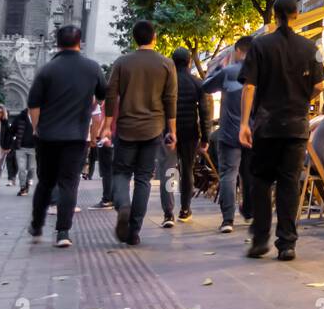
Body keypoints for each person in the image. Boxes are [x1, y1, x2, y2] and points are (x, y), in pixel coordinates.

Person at [238, 0, 324, 260]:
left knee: (262, 182)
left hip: (265, 126)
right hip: (296, 127)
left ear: (275, 15)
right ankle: (287, 244)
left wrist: (244, 123)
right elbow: (320, 85)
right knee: (289, 184)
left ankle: (260, 239)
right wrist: (301, 100)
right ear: (297, 14)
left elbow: (250, 86)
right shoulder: (309, 47)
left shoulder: (260, 45)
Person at [27, 24, 107, 248]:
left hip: (48, 136)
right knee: (69, 184)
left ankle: (37, 225)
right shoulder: (92, 68)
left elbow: (33, 104)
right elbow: (102, 95)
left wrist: (36, 128)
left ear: (58, 43)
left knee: (45, 182)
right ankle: (63, 232)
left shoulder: (46, 70)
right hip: (76, 137)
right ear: (79, 42)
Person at [105, 20, 177, 245]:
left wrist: (107, 125)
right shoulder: (166, 64)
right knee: (144, 179)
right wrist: (172, 130)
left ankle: (123, 206)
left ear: (134, 38)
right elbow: (170, 99)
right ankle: (134, 230)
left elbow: (110, 94)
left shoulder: (122, 62)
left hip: (126, 127)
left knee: (121, 174)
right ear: (154, 37)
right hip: (153, 128)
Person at [201, 36, 251, 234]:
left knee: (228, 176)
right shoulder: (260, 74)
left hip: (229, 133)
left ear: (238, 51)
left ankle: (228, 219)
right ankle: (248, 211)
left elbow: (206, 86)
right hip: (252, 133)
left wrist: (219, 67)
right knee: (249, 175)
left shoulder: (229, 71)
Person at [169, 47, 210, 224]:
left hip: (169, 132)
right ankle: (185, 209)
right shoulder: (197, 83)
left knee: (169, 169)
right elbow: (204, 112)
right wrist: (206, 137)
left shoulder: (167, 82)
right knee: (187, 170)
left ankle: (168, 211)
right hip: (190, 132)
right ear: (189, 62)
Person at [89, 99, 115, 208]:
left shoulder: (107, 103)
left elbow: (101, 119)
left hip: (106, 139)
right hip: (118, 138)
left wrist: (96, 137)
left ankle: (107, 199)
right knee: (114, 170)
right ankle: (115, 198)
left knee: (107, 171)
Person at [9, 107, 36, 196]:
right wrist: (12, 141)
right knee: (21, 168)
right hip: (20, 148)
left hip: (34, 148)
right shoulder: (20, 117)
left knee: (32, 168)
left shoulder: (39, 117)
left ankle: (27, 183)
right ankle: (23, 187)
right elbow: (12, 131)